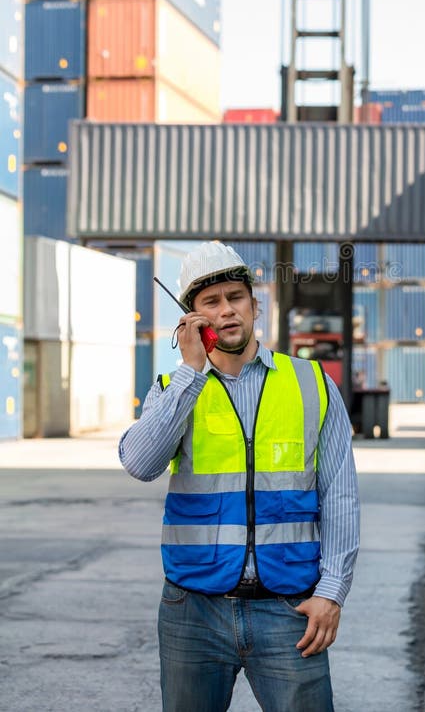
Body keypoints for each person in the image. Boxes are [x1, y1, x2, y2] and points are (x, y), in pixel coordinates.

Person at [119, 241, 360, 712]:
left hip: (289, 609)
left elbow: (340, 497)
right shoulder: (173, 390)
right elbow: (141, 464)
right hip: (193, 612)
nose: (227, 311)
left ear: (255, 305)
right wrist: (191, 371)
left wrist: (332, 591)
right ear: (190, 318)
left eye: (236, 297)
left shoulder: (311, 384)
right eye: (211, 302)